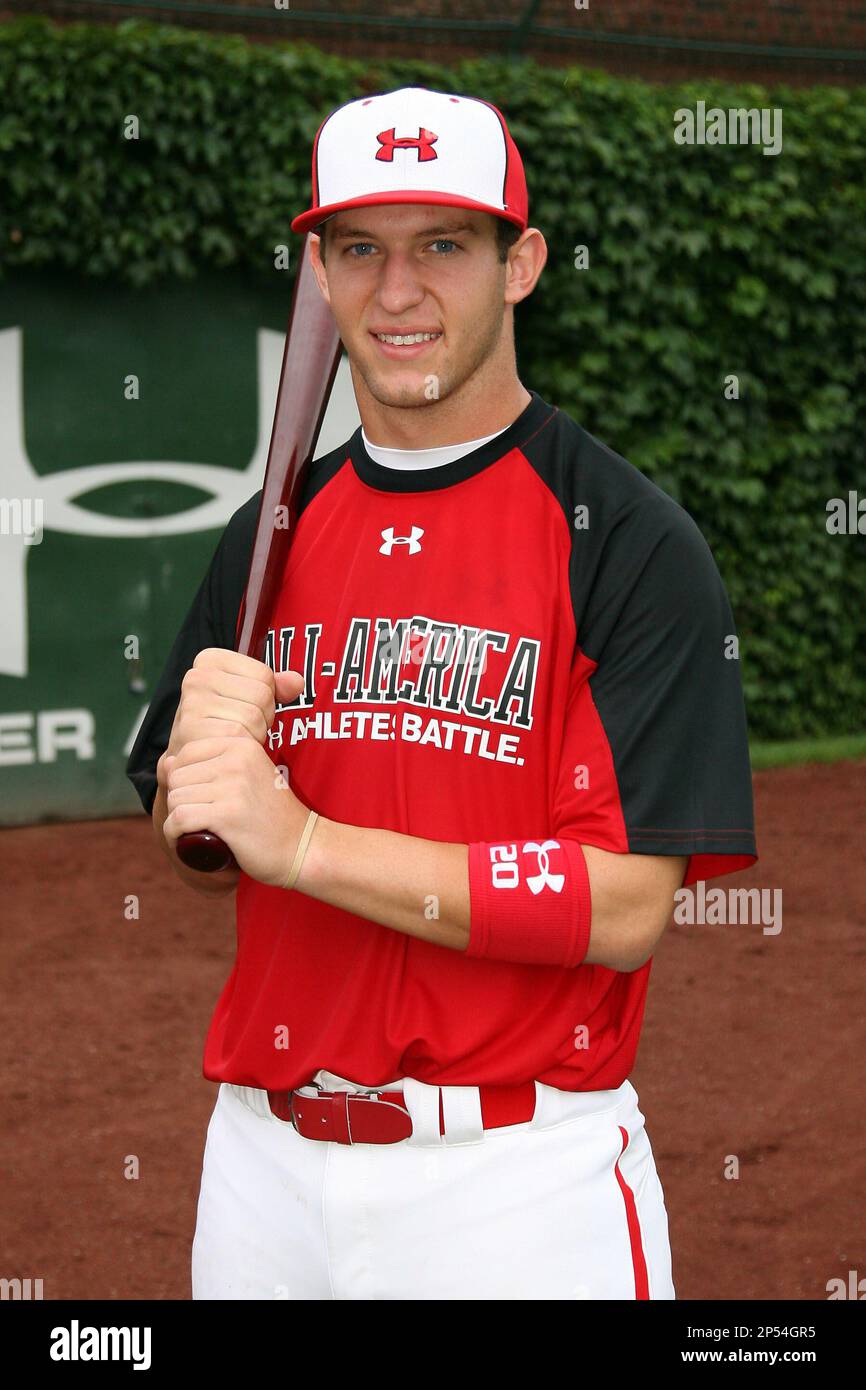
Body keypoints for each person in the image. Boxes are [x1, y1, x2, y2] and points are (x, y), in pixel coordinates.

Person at [127, 85, 758, 1300]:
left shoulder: (622, 540)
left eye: (443, 247)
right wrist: (196, 797)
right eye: (359, 248)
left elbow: (622, 903)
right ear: (316, 271)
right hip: (261, 1172)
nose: (397, 292)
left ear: (519, 264)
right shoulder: (271, 531)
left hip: (512, 1187)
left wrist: (304, 840)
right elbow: (204, 847)